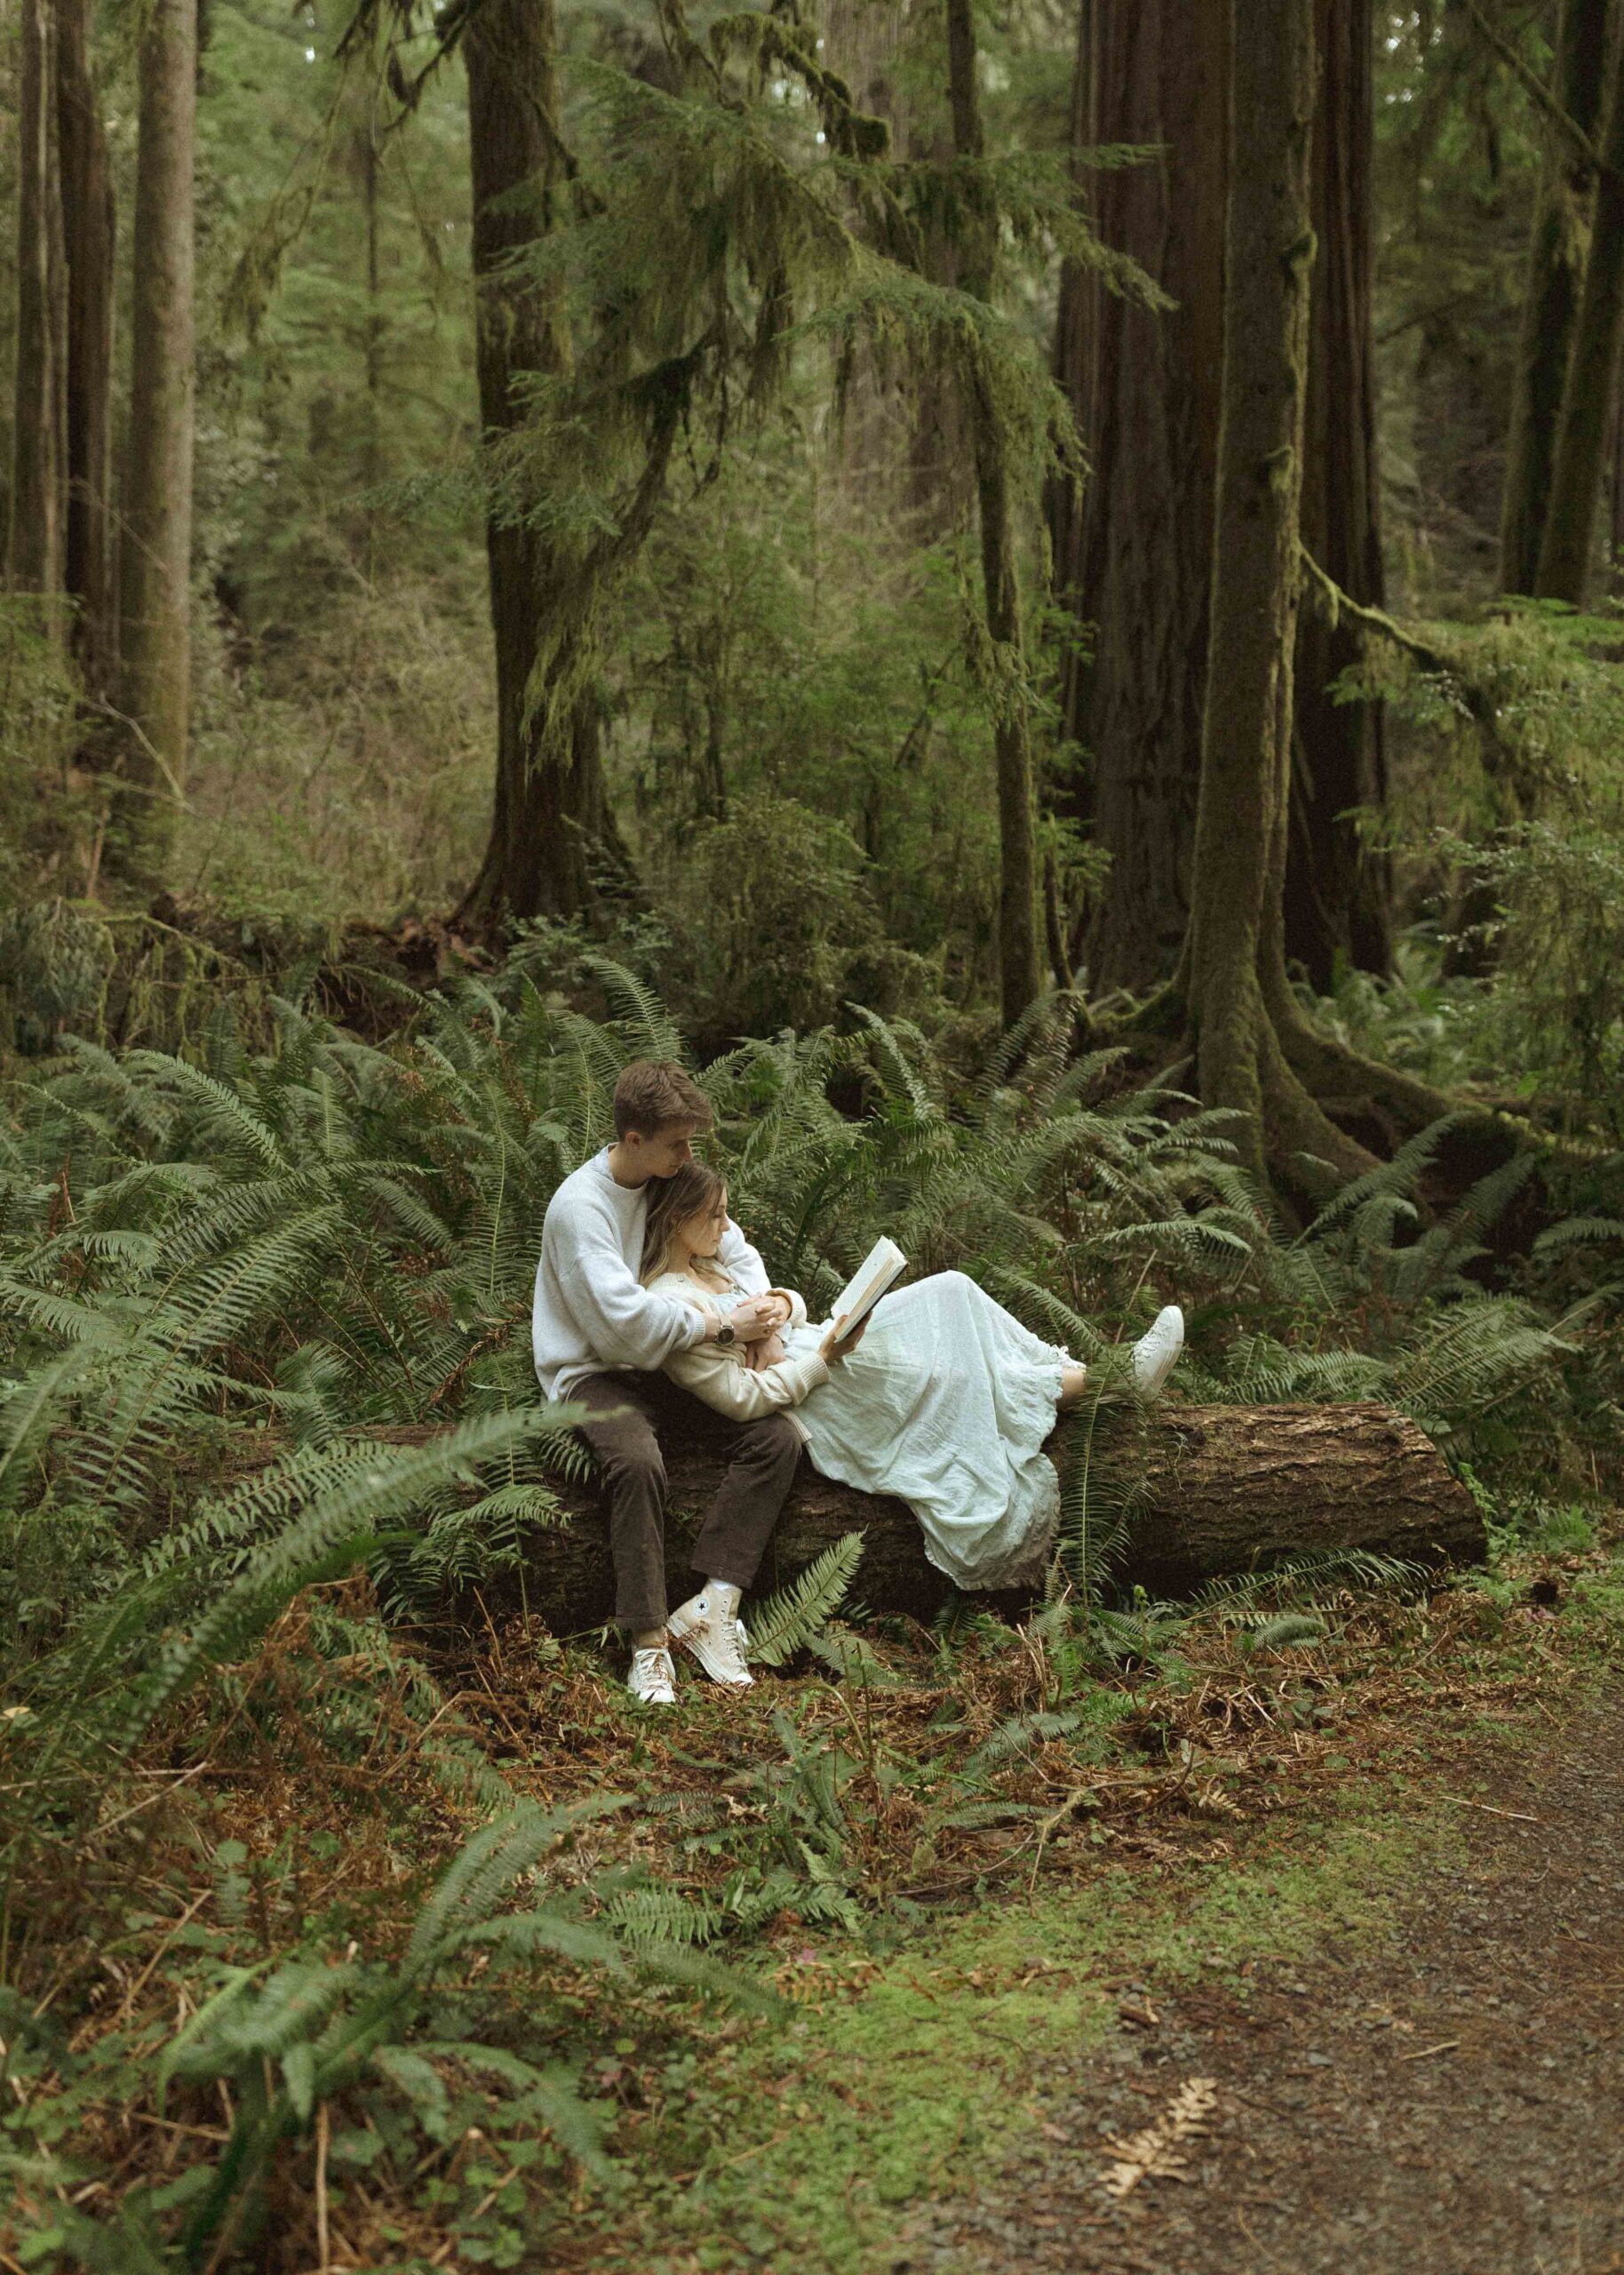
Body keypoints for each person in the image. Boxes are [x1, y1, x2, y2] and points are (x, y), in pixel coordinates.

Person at [640, 1160, 1185, 1600]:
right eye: (714, 1217)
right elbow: (740, 1399)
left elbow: (785, 1308)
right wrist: (819, 1354)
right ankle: (1109, 1382)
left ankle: (1085, 1372)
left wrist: (780, 1311)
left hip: (820, 1345)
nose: (726, 1228)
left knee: (950, 1290)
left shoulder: (712, 1267)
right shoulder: (671, 1304)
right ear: (673, 1222)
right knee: (940, 1372)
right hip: (814, 1392)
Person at [532, 1060, 805, 1706]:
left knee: (777, 1439)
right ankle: (649, 1645)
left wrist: (768, 1312)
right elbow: (622, 1329)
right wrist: (724, 1326)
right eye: (677, 1142)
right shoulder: (581, 1208)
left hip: (673, 1361)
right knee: (636, 1462)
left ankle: (715, 1604)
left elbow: (734, 1248)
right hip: (593, 1371)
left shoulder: (668, 1175)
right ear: (633, 1140)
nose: (689, 1155)